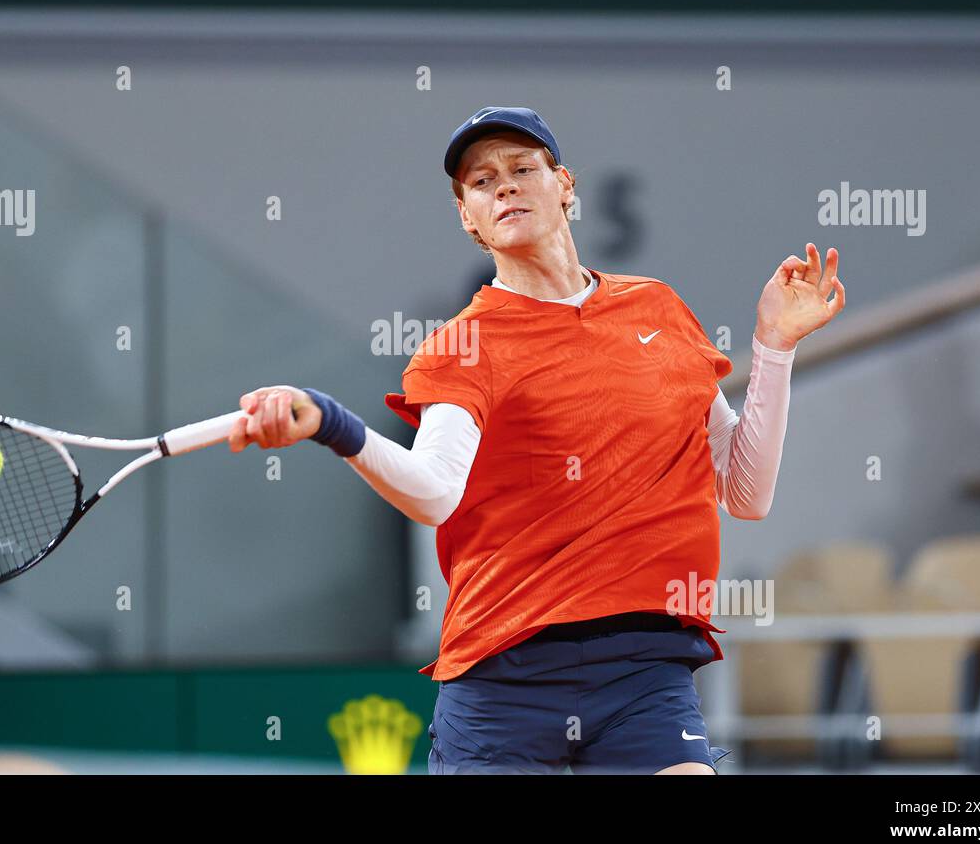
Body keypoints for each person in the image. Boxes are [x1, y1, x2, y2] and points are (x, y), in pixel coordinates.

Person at [227, 107, 845, 773]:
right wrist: (329, 423)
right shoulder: (464, 345)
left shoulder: (659, 310)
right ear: (467, 216)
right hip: (502, 676)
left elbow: (745, 491)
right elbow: (434, 494)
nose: (505, 187)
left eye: (523, 169)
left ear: (566, 185)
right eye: (482, 181)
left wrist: (773, 347)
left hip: (645, 669)